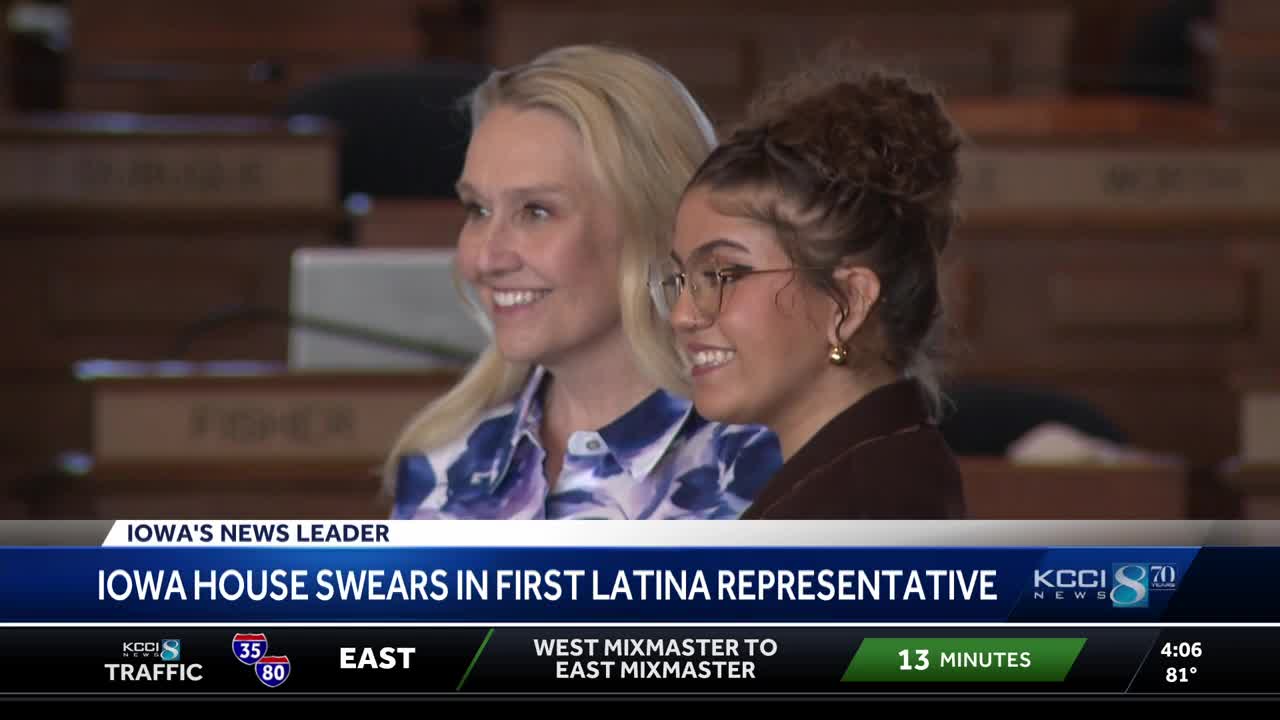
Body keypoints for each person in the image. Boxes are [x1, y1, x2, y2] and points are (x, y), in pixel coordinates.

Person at [386, 45, 781, 519]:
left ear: (657, 225)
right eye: (478, 210)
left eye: (536, 211)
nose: (485, 258)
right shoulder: (443, 465)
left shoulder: (757, 468)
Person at [654, 58, 967, 519]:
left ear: (847, 303)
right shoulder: (873, 469)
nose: (683, 315)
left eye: (724, 275)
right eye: (684, 278)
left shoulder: (858, 511)